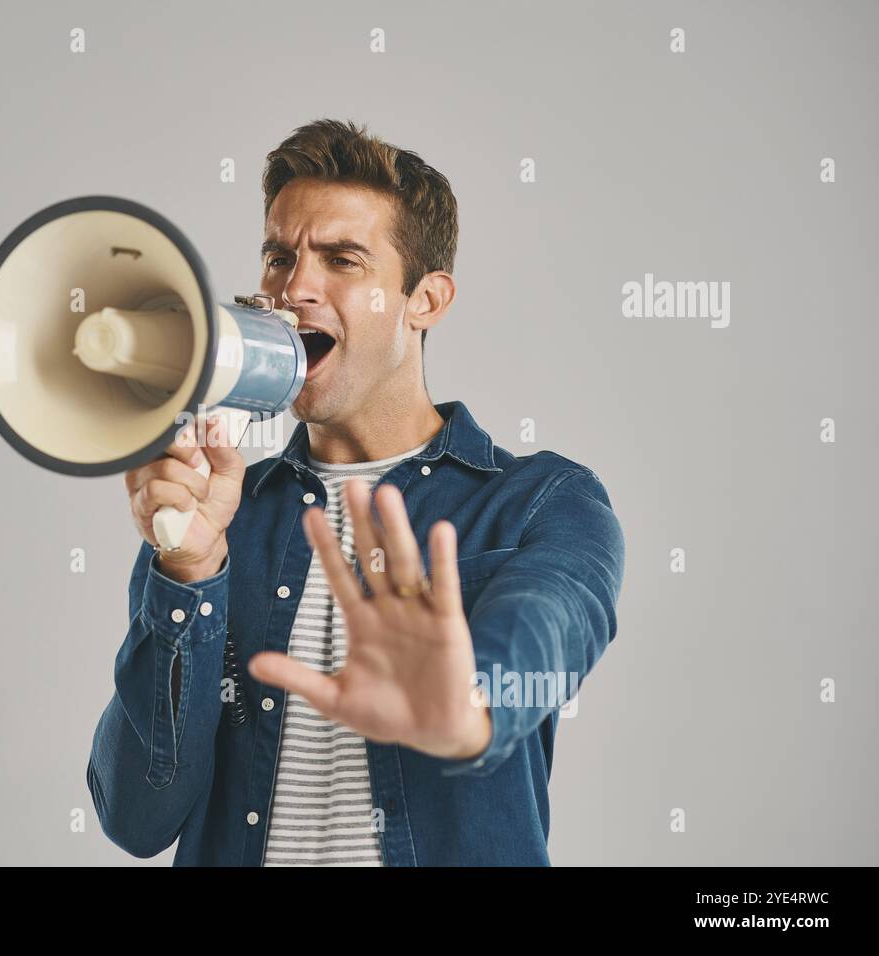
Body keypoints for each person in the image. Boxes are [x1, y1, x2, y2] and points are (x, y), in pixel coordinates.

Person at [86, 118, 626, 866]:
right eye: (279, 256)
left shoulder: (543, 501)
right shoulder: (220, 517)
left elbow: (549, 625)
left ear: (426, 300)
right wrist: (186, 569)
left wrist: (465, 710)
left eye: (342, 260)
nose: (293, 288)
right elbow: (136, 817)